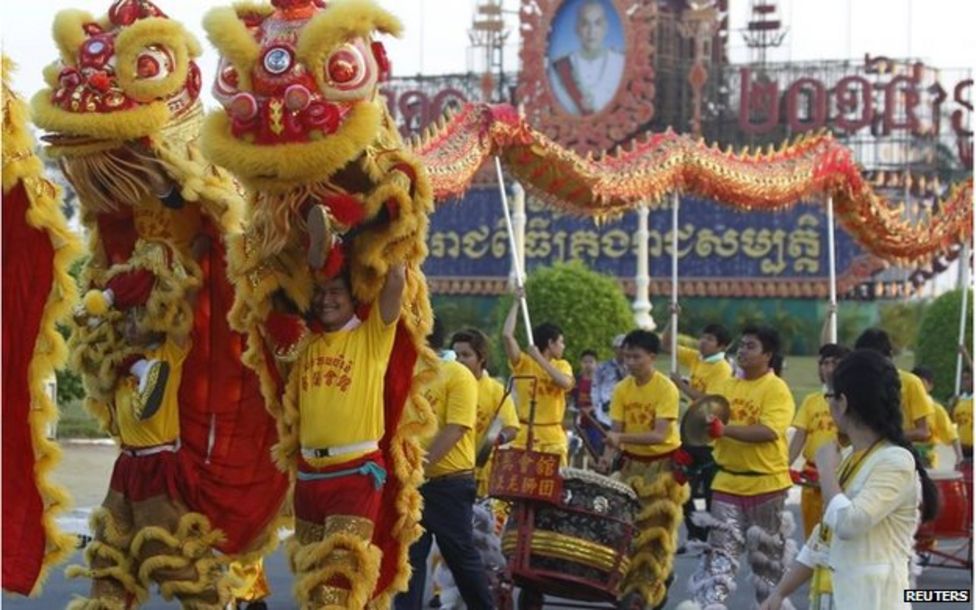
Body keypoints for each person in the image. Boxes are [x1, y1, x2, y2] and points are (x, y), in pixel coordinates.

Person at [758, 349, 939, 610]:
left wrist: (827, 473)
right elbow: (822, 539)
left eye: (828, 396)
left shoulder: (895, 461)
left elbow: (850, 523)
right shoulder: (851, 459)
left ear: (841, 402)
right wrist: (779, 594)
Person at [287, 264, 404, 609]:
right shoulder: (305, 344)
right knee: (312, 578)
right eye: (321, 291)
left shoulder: (371, 336)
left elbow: (396, 279)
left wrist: (391, 223)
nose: (326, 299)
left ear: (354, 297)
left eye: (336, 291)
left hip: (355, 474)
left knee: (338, 581)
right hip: (309, 476)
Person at [680, 325, 796, 610]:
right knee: (719, 561)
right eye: (741, 345)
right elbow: (705, 422)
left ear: (767, 355)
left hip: (767, 486)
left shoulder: (776, 389)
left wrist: (725, 430)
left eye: (750, 346)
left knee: (766, 570)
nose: (742, 351)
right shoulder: (725, 387)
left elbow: (769, 430)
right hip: (727, 485)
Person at [397, 320, 495, 610]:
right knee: (409, 561)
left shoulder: (457, 375)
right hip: (413, 485)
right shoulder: (405, 375)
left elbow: (456, 428)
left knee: (460, 557)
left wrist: (420, 468)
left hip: (449, 484)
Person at [601, 330, 687, 609]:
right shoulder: (622, 389)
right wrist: (606, 458)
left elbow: (659, 435)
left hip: (663, 468)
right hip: (631, 467)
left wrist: (620, 440)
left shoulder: (666, 389)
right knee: (626, 533)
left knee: (654, 533)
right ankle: (631, 586)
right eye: (627, 356)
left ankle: (650, 585)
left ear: (652, 357)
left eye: (636, 356)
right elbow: (616, 432)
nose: (630, 361)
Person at [661, 309, 733, 546]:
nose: (703, 342)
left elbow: (709, 401)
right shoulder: (696, 359)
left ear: (721, 346)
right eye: (703, 337)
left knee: (711, 489)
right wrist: (673, 319)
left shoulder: (722, 368)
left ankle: (712, 535)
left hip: (708, 439)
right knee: (683, 483)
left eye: (710, 339)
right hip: (692, 434)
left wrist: (680, 385)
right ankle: (695, 534)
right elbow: (666, 344)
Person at [502, 288, 574, 462]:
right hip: (525, 433)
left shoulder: (562, 365)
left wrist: (540, 359)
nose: (563, 346)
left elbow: (565, 383)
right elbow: (507, 335)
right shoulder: (524, 363)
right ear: (550, 343)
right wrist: (516, 303)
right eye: (561, 342)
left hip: (552, 437)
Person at [788, 344, 850, 539]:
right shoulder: (811, 401)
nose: (828, 367)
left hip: (843, 476)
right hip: (812, 476)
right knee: (813, 538)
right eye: (824, 363)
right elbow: (799, 436)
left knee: (838, 535)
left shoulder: (853, 400)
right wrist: (783, 468)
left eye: (835, 362)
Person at [449, 328, 520, 496]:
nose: (459, 361)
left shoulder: (496, 391)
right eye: (456, 355)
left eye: (466, 355)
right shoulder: (447, 386)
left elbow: (511, 428)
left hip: (481, 473)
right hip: (448, 470)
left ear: (482, 358)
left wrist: (495, 438)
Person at [854, 328, 933, 442]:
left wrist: (888, 436)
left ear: (889, 356)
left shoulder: (911, 382)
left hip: (900, 452)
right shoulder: (858, 384)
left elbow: (924, 432)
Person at [547, 0, 625, 115]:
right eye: (585, 24)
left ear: (605, 28)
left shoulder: (620, 62)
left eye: (597, 23)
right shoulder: (560, 67)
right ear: (577, 29)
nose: (591, 31)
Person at [912, 365, 964, 469]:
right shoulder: (902, 407)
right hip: (906, 457)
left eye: (921, 383)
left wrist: (959, 456)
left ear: (930, 386)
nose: (918, 388)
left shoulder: (936, 409)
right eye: (914, 384)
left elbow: (952, 435)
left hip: (927, 461)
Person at [572, 348, 604, 458]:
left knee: (595, 449)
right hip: (578, 422)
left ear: (597, 364)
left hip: (595, 423)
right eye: (585, 362)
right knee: (577, 450)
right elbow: (569, 397)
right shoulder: (575, 380)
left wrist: (590, 409)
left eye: (591, 362)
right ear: (581, 363)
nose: (588, 365)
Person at [592, 334, 627, 427]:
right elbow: (595, 388)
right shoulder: (602, 367)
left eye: (626, 348)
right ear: (614, 349)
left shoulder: (633, 369)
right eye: (620, 348)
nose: (623, 351)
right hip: (606, 412)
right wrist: (597, 407)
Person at [952, 345, 973, 460]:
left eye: (968, 379)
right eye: (963, 379)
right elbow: (952, 422)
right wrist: (952, 406)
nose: (965, 382)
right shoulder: (960, 399)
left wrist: (965, 354)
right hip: (962, 448)